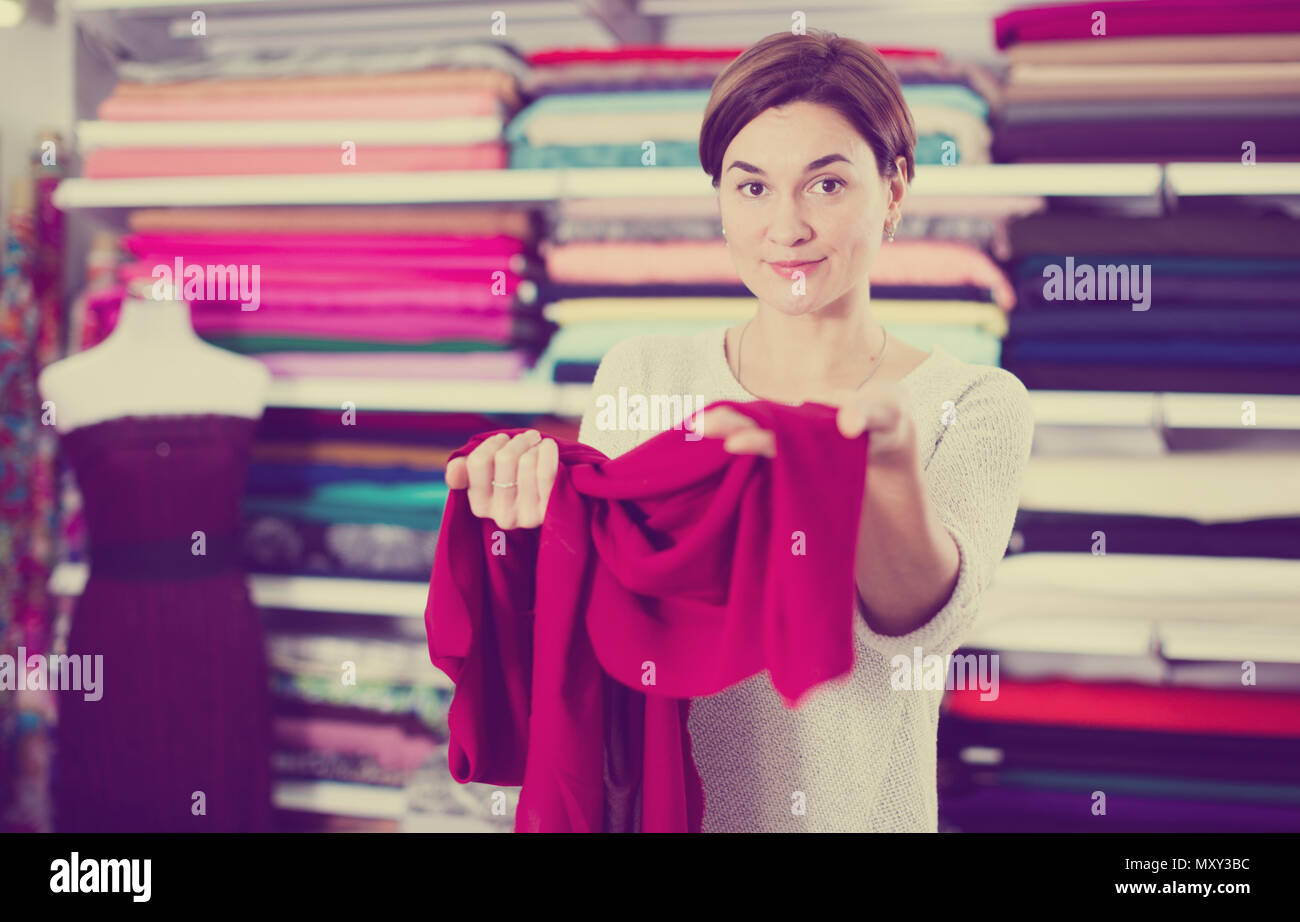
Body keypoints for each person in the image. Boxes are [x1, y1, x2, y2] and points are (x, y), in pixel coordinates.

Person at [445, 29, 1034, 832]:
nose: (785, 227)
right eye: (751, 188)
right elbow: (594, 629)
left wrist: (876, 469)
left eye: (826, 185)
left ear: (894, 189)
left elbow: (921, 626)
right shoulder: (644, 375)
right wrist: (521, 525)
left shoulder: (975, 401)